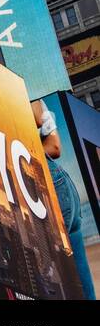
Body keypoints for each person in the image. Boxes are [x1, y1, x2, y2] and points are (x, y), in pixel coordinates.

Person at [35, 99, 96, 300]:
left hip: (49, 184)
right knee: (79, 271)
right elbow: (55, 145)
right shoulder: (38, 98)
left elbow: (54, 147)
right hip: (63, 185)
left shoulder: (27, 96)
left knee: (49, 275)